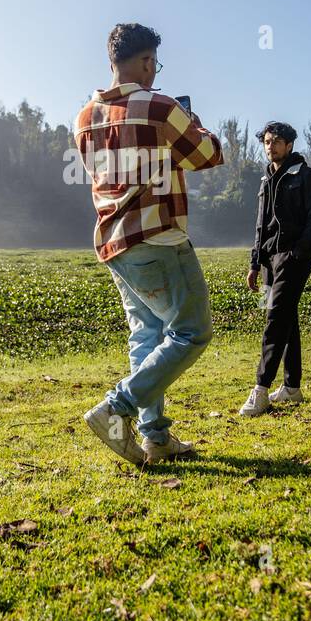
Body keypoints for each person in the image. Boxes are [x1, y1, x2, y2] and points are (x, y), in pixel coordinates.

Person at [74, 23, 223, 465]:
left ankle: (154, 437)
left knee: (148, 334)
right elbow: (207, 155)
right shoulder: (160, 107)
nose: (155, 71)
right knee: (192, 332)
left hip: (115, 242)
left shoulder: (85, 118)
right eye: (154, 62)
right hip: (159, 236)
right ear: (145, 61)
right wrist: (194, 123)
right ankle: (116, 406)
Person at [239, 121, 311, 416]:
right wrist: (255, 262)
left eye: (276, 141)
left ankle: (261, 389)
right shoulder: (266, 180)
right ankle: (291, 387)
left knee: (276, 316)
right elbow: (260, 225)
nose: (271, 146)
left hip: (293, 258)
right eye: (267, 141)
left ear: (289, 145)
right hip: (268, 260)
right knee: (283, 315)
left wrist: (298, 252)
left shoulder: (307, 177)